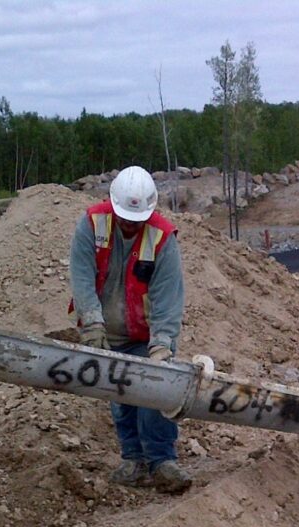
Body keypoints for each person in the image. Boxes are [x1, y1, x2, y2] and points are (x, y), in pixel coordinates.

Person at [69, 165, 191, 493]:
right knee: (121, 398)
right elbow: (81, 278)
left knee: (155, 393)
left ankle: (162, 461)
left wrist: (162, 345)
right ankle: (134, 459)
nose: (129, 224)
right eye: (125, 218)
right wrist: (92, 325)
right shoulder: (92, 224)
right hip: (108, 332)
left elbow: (168, 296)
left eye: (136, 221)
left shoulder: (162, 238)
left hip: (148, 335)